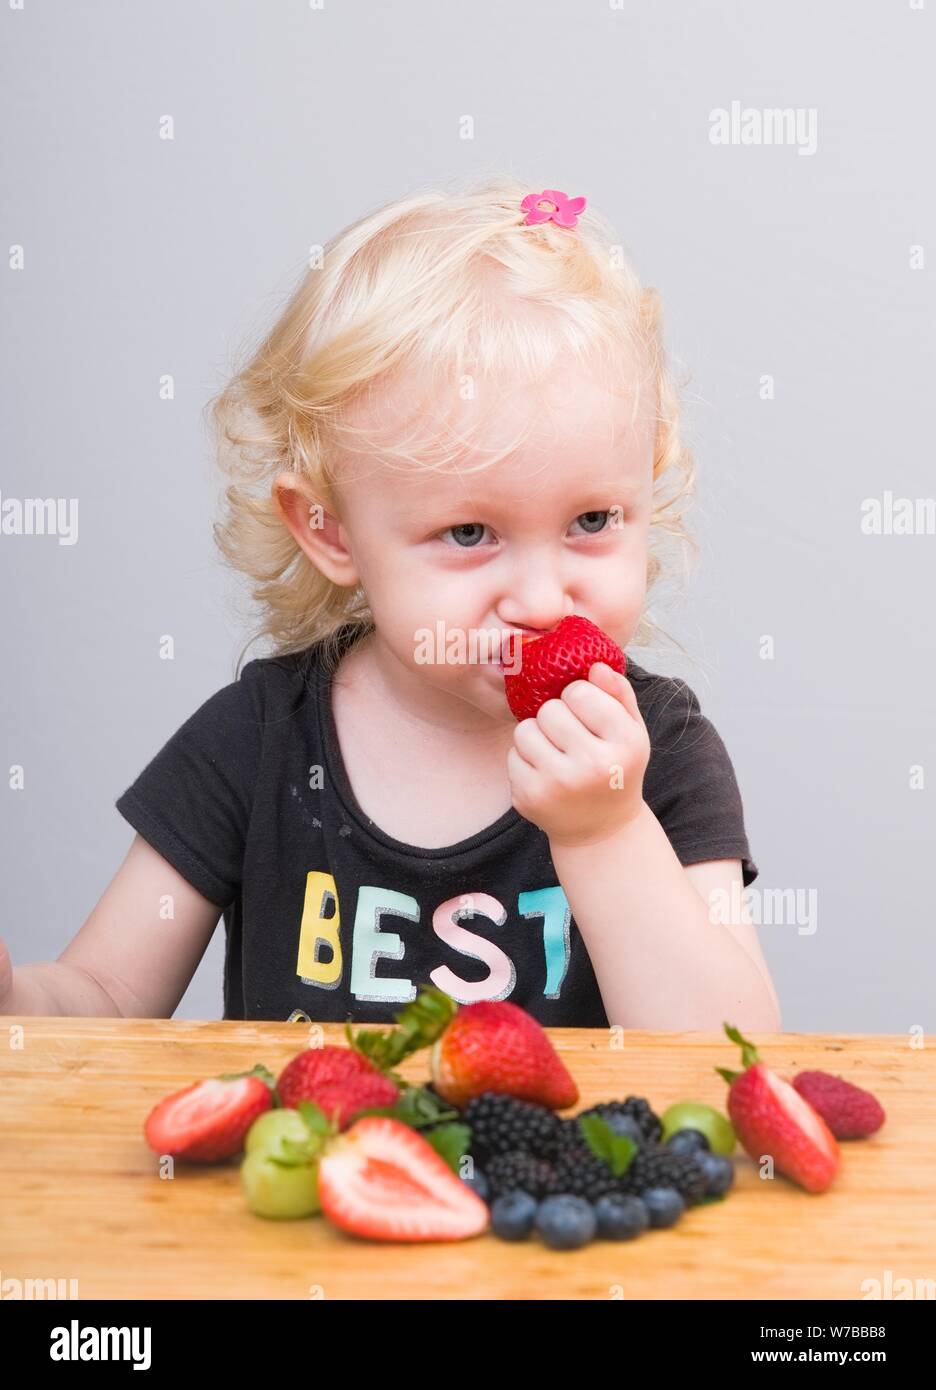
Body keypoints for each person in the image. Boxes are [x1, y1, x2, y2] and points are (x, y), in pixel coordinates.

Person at [0, 178, 781, 1030]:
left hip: (561, 1168)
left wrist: (605, 832)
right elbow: (106, 998)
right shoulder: (255, 742)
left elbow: (725, 1055)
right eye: (470, 533)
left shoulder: (658, 753)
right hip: (318, 1163)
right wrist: (17, 1004)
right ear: (330, 531)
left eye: (592, 520)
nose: (542, 598)